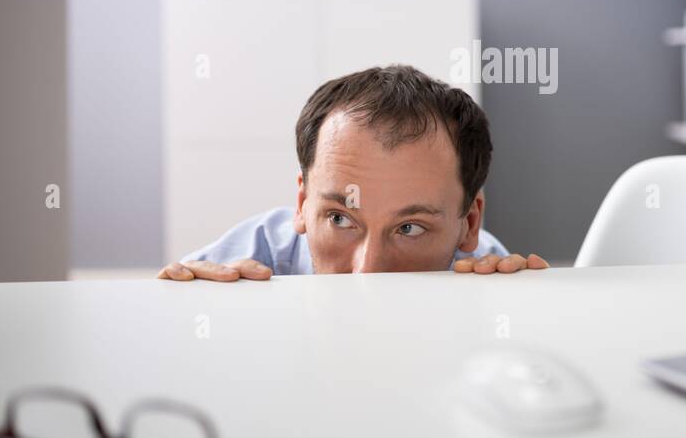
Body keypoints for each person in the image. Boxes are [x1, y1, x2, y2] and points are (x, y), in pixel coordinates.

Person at [157, 65, 548, 280]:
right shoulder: (251, 255)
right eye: (340, 218)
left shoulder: (485, 274)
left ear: (469, 223)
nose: (367, 271)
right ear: (302, 203)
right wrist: (185, 308)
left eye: (410, 227)